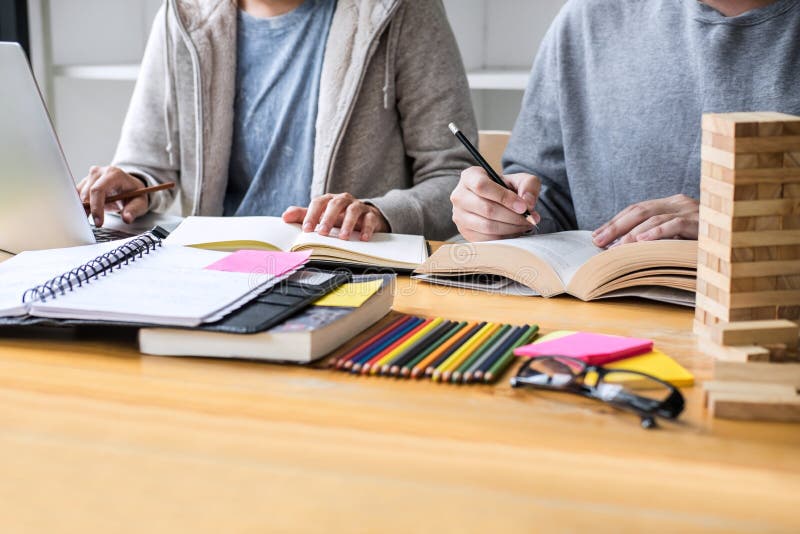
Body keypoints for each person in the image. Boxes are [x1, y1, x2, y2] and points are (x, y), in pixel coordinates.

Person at [78, 0, 476, 242]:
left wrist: (383, 213)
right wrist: (135, 185)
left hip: (344, 270)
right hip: (206, 269)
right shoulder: (183, 16)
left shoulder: (397, 10)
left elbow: (456, 174)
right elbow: (146, 166)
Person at [451, 0, 800, 245]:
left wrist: (742, 230)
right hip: (599, 318)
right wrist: (498, 213)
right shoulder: (588, 17)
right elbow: (548, 201)